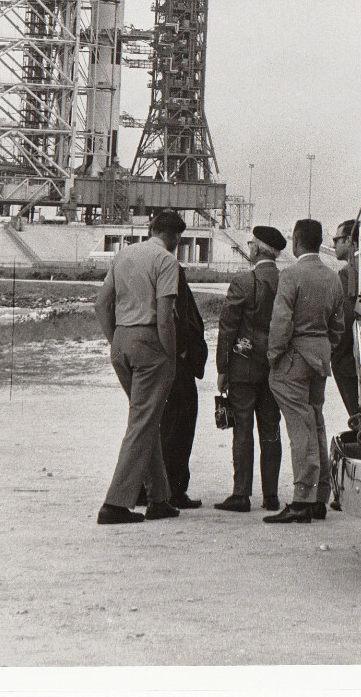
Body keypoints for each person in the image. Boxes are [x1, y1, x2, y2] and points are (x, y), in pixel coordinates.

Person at [94, 211, 186, 525]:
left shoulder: (123, 255)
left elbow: (100, 304)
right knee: (142, 424)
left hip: (122, 339)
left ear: (151, 229)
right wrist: (170, 357)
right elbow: (165, 317)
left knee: (146, 421)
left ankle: (159, 498)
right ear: (175, 237)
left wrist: (116, 338)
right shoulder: (167, 261)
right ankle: (115, 504)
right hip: (150, 342)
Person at [264, 219, 345, 523]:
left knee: (300, 429)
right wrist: (324, 348)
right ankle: (319, 497)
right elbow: (337, 326)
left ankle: (302, 499)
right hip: (320, 358)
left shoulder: (291, 275)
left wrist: (274, 357)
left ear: (296, 241)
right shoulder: (333, 278)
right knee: (316, 423)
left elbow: (281, 323)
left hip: (293, 358)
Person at [212, 225, 286, 514]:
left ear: (257, 249)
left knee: (242, 429)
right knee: (271, 429)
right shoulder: (286, 281)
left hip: (243, 369)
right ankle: (271, 496)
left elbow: (227, 327)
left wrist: (222, 368)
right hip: (275, 368)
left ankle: (241, 494)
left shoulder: (243, 282)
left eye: (251, 244)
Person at [157, 264, 209, 508]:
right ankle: (174, 490)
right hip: (178, 367)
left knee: (164, 428)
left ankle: (156, 488)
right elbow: (178, 319)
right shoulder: (172, 273)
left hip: (162, 364)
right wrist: (185, 352)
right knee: (180, 429)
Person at [329, 219, 361, 427]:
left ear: (350, 241)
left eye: (337, 240)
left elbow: (345, 317)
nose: (334, 245)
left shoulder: (349, 273)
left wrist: (335, 353)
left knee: (357, 416)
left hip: (348, 358)